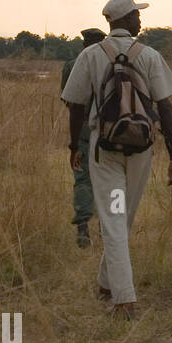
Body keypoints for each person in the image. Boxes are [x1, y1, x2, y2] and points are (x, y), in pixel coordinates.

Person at [60, 0, 172, 318]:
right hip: (141, 149)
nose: (140, 21)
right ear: (124, 20)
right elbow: (165, 107)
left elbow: (76, 106)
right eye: (136, 16)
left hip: (105, 150)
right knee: (122, 218)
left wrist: (75, 146)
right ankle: (123, 298)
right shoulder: (149, 55)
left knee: (116, 219)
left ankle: (109, 285)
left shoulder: (90, 55)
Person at [60, 27, 106, 247]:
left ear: (84, 43)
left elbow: (71, 104)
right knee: (115, 181)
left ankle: (82, 228)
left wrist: (73, 142)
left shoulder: (72, 65)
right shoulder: (114, 61)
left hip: (84, 131)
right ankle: (112, 227)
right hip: (112, 132)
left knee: (82, 179)